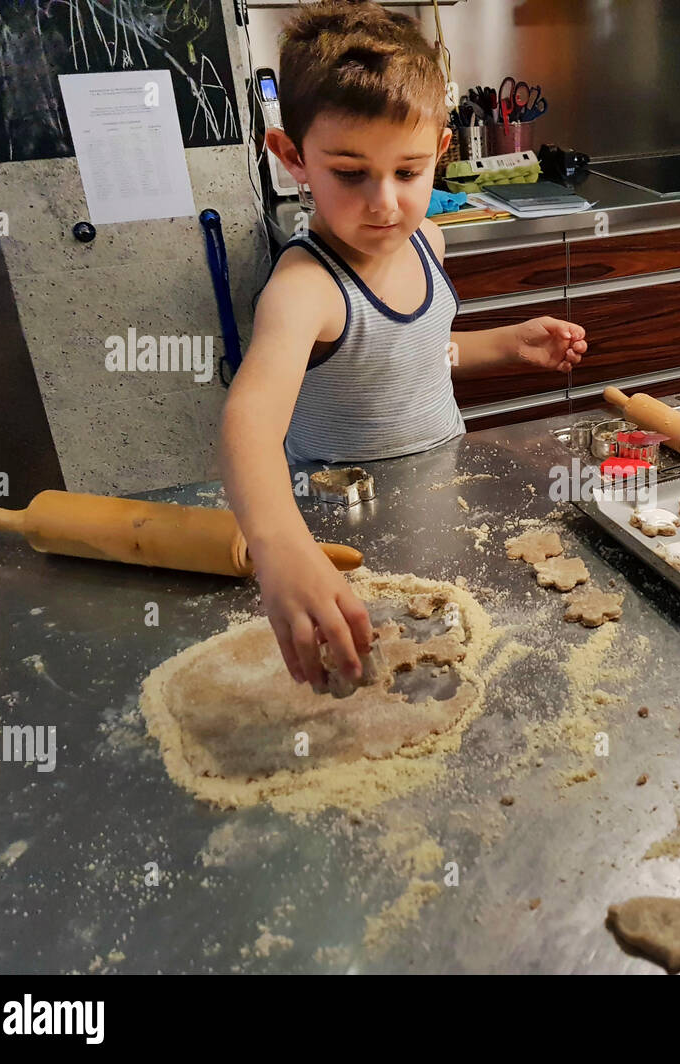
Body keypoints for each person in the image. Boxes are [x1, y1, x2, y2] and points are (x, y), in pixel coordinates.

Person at [220, 0, 587, 690]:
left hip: (442, 490)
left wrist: (506, 344)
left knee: (471, 663)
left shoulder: (427, 241)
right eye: (351, 174)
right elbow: (249, 423)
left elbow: (416, 353)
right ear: (294, 158)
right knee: (383, 685)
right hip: (345, 526)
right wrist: (279, 547)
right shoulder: (306, 289)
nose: (384, 202)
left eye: (408, 172)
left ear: (441, 153)